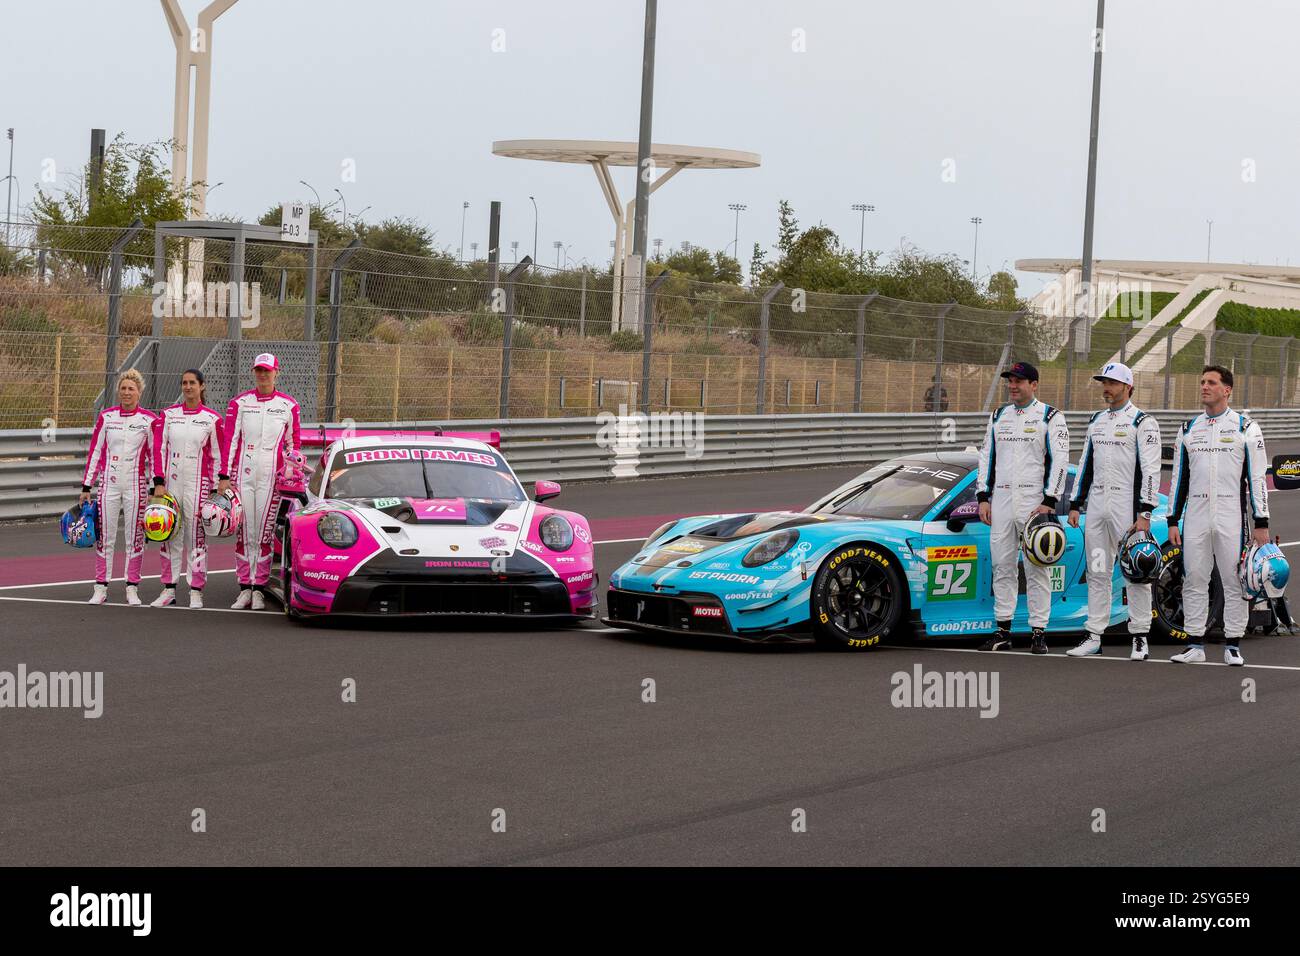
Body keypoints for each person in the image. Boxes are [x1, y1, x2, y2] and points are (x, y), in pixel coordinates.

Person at [1168, 365, 1270, 665]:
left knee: (1234, 580)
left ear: (1227, 389)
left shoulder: (1245, 427)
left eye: (1211, 382)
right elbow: (1178, 479)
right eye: (1202, 382)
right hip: (1196, 514)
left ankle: (1233, 645)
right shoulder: (1188, 429)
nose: (1204, 387)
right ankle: (1194, 644)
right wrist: (1173, 519)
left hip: (1230, 513)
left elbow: (1257, 478)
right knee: (1193, 579)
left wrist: (1261, 522)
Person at [1065, 362, 1161, 660]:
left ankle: (1140, 636)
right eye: (1103, 382)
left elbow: (1151, 470)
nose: (1106, 388)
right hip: (1096, 506)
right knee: (1096, 571)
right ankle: (1094, 634)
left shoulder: (1142, 422)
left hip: (1126, 507)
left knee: (1136, 574)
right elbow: (1085, 463)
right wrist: (1075, 503)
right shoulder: (1096, 420)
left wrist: (1145, 512)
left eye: (1112, 383)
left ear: (1127, 387)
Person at [975, 360, 1069, 654]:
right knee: (1002, 566)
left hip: (1033, 502)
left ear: (1034, 385)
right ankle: (1002, 630)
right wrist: (982, 497)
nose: (1013, 386)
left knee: (1037, 568)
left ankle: (1038, 632)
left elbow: (1060, 461)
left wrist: (1049, 500)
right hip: (1001, 499)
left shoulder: (1050, 417)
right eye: (1010, 381)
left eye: (1019, 381)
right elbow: (985, 458)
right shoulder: (998, 415)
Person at [219, 353, 300, 610]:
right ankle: (244, 587)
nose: (263, 375)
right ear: (254, 373)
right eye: (259, 370)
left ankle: (259, 589)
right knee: (245, 531)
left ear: (277, 372)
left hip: (270, 477)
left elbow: (293, 445)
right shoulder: (240, 403)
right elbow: (230, 441)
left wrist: (290, 471)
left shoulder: (289, 405)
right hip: (242, 476)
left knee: (263, 533)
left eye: (267, 370)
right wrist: (223, 476)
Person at [80, 369, 161, 605]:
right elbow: (95, 451)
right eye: (123, 388)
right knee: (104, 535)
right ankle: (100, 586)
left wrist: (158, 484)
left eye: (131, 389)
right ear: (118, 391)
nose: (126, 392)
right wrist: (87, 485)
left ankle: (132, 586)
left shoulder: (149, 420)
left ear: (139, 392)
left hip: (136, 485)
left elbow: (155, 456)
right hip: (109, 484)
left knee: (135, 536)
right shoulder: (106, 417)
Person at [150, 369, 224, 609]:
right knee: (169, 536)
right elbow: (159, 450)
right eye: (184, 383)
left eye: (192, 382)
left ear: (202, 386)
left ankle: (196, 590)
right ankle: (169, 589)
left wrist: (215, 486)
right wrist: (158, 482)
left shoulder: (212, 419)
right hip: (170, 484)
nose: (188, 386)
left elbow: (217, 456)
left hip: (197, 484)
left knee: (196, 538)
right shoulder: (169, 415)